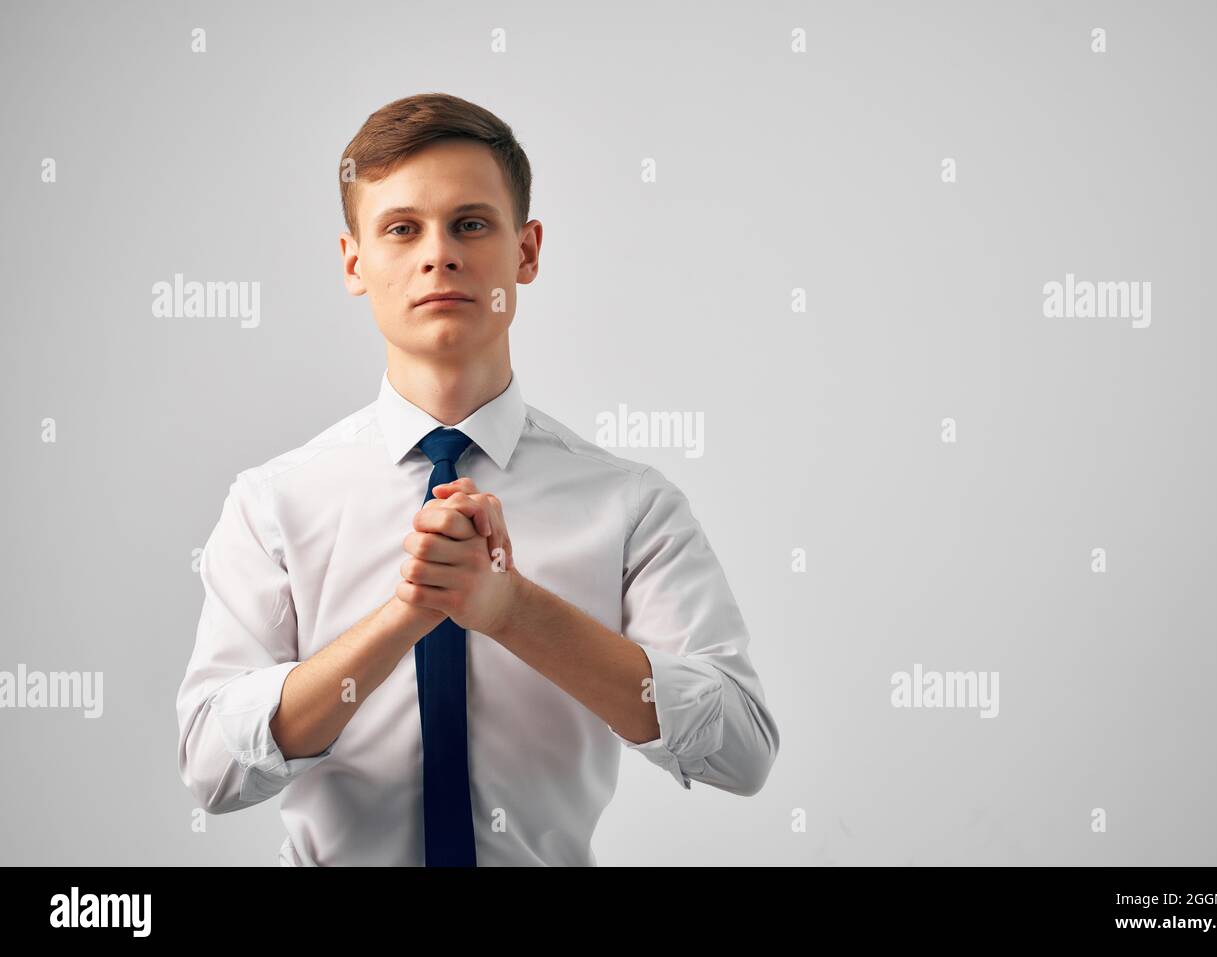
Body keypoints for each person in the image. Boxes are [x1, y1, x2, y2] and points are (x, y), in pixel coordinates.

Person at [175, 92, 779, 866]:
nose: (438, 254)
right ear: (354, 260)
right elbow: (212, 768)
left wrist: (512, 611)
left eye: (470, 223)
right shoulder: (272, 503)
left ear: (525, 252)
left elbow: (742, 750)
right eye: (401, 228)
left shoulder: (630, 506)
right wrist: (404, 617)